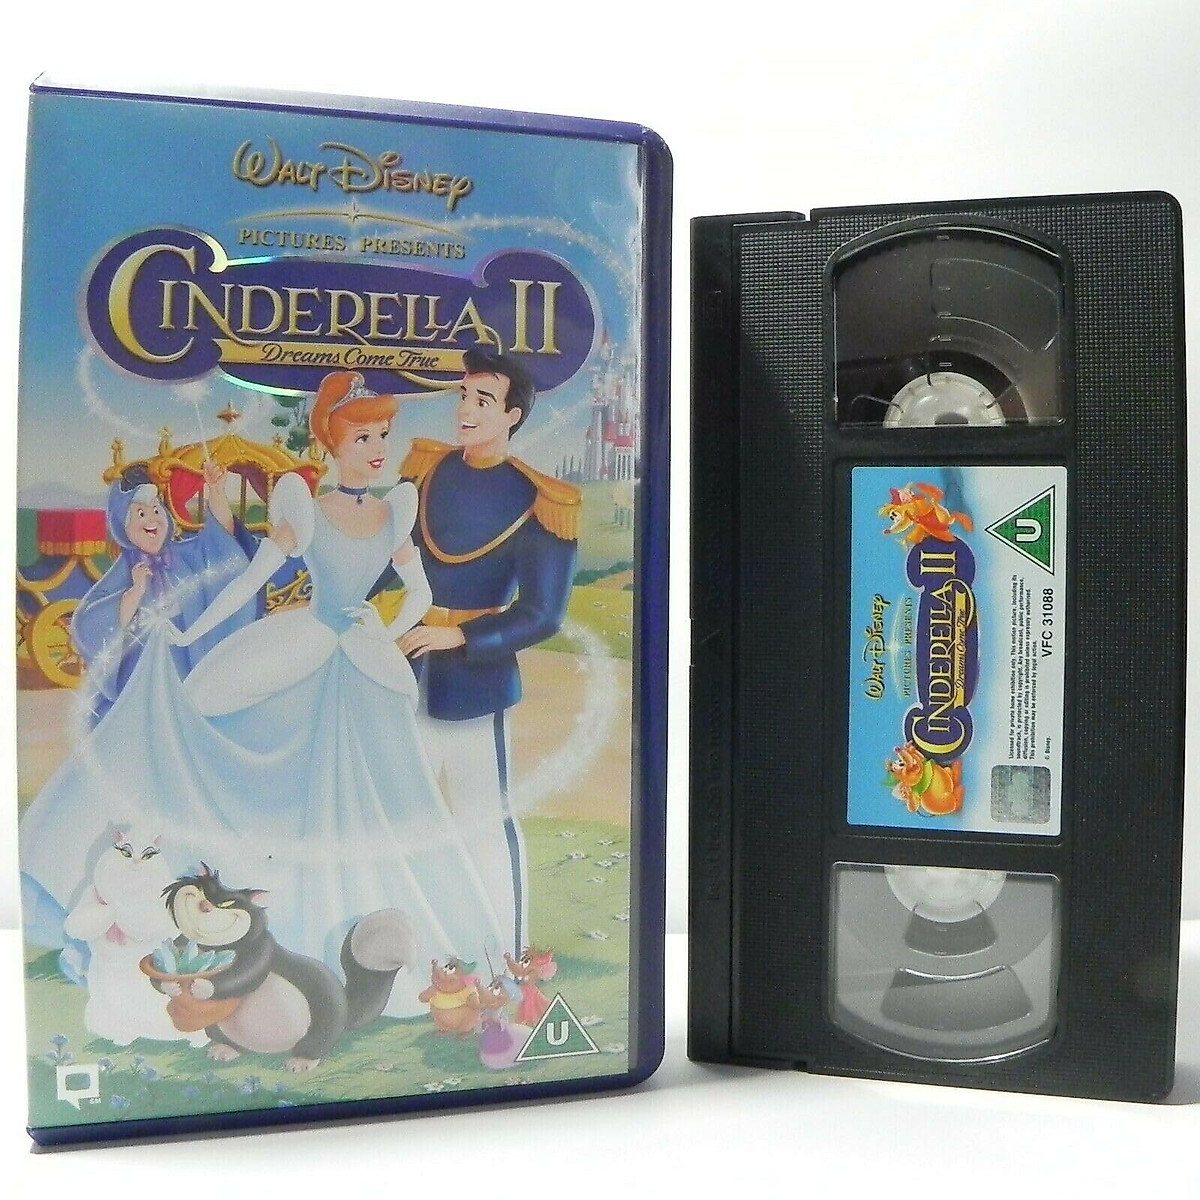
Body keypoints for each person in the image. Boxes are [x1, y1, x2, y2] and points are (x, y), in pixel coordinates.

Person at [20, 371, 505, 1016]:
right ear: (333, 442)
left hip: (362, 668)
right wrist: (194, 631)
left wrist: (381, 632)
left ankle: (389, 948)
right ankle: (275, 936)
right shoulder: (304, 509)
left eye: (384, 435)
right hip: (303, 656)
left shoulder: (396, 509)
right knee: (262, 767)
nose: (378, 448)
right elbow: (249, 581)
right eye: (363, 437)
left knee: (389, 796)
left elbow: (421, 594)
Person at [396, 347, 581, 953]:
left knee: (482, 821)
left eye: (483, 400)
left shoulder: (541, 499)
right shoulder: (425, 470)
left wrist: (462, 636)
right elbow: (385, 565)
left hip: (477, 684)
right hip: (403, 674)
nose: (466, 410)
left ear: (512, 416)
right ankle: (412, 959)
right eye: (463, 396)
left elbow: (544, 613)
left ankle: (507, 954)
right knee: (404, 819)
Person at [72, 459, 252, 725]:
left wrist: (216, 492)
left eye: (156, 510)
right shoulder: (126, 570)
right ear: (122, 524)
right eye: (141, 514)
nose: (152, 520)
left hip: (189, 657)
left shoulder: (183, 555)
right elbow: (89, 621)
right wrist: (134, 593)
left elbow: (219, 547)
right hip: (147, 667)